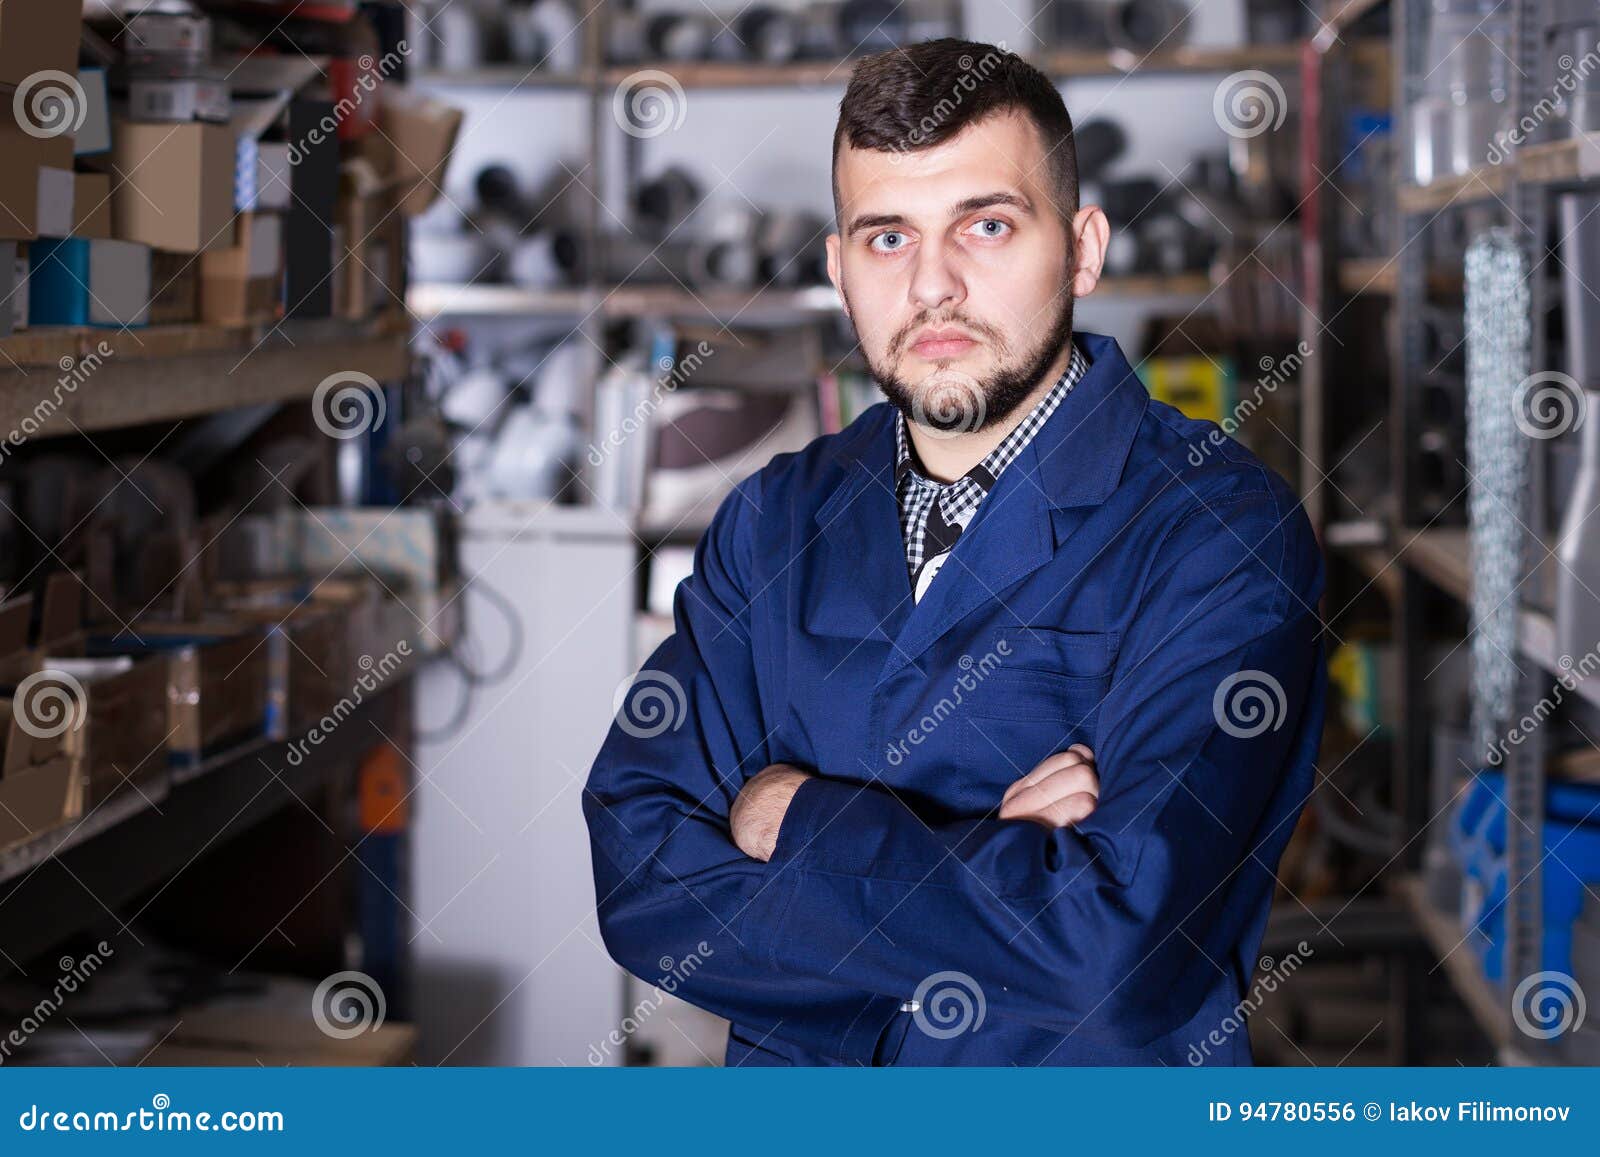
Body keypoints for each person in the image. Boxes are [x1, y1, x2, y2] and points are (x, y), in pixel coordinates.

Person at [584, 38, 1325, 1066]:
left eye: (986, 225)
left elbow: (1112, 962)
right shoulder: (775, 517)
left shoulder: (1218, 531)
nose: (933, 285)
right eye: (888, 237)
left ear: (1082, 249)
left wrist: (790, 817)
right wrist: (996, 860)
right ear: (839, 270)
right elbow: (642, 885)